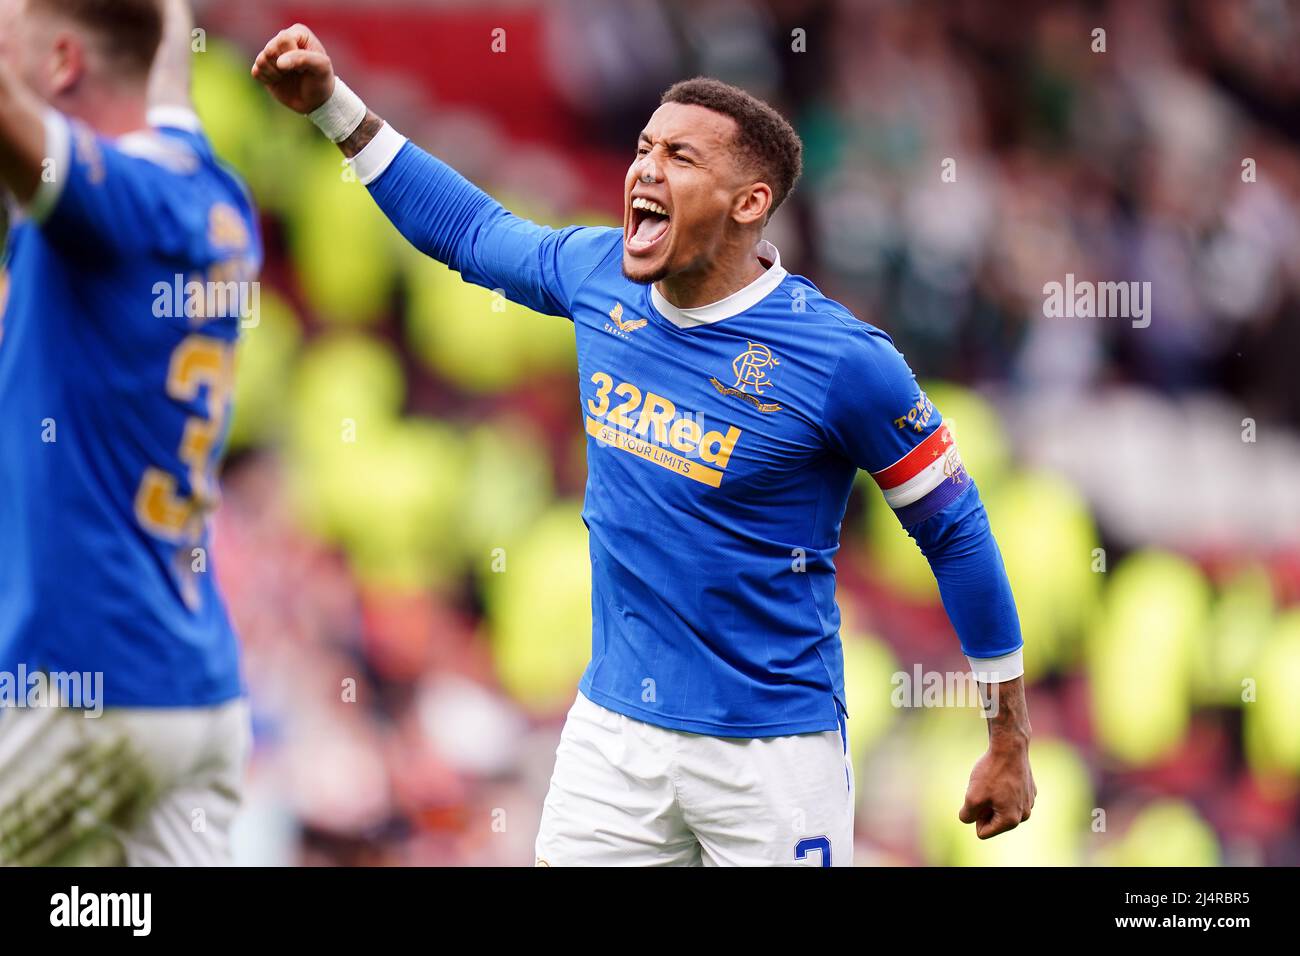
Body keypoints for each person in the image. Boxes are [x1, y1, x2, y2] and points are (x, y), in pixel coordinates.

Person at [252, 22, 1034, 867]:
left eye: (681, 157)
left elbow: (955, 532)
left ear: (750, 203)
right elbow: (469, 232)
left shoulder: (844, 362)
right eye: (642, 147)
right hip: (614, 735)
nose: (645, 170)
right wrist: (334, 107)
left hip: (772, 754)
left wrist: (1008, 737)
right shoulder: (595, 276)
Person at [0, 0, 260, 865]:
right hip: (196, 698)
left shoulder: (117, 206)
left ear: (63, 64)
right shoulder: (214, 195)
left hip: (82, 690)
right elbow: (159, 56)